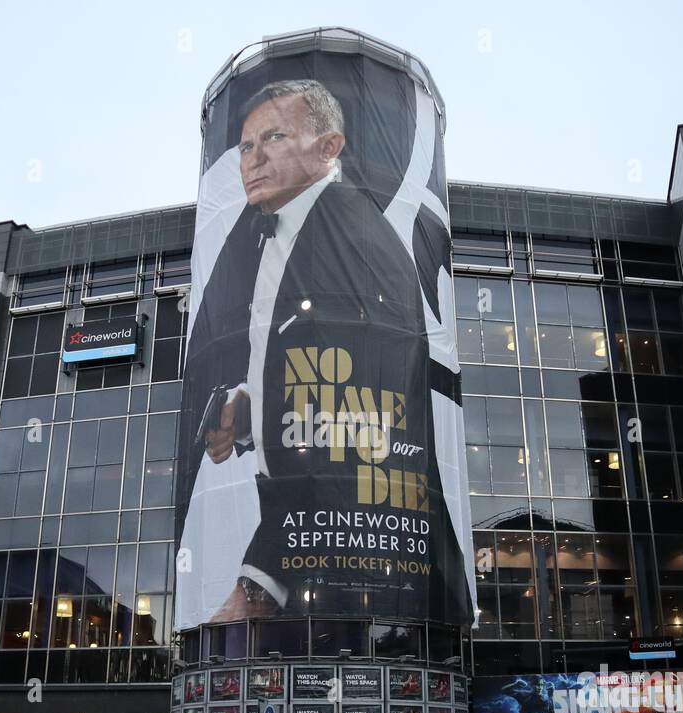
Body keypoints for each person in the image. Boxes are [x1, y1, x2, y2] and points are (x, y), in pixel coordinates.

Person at [177, 77, 469, 627]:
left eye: (275, 139)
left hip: (366, 588)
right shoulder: (281, 227)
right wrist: (248, 411)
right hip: (322, 562)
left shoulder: (357, 240)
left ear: (329, 147)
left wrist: (257, 585)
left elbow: (353, 424)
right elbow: (305, 367)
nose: (253, 159)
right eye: (244, 146)